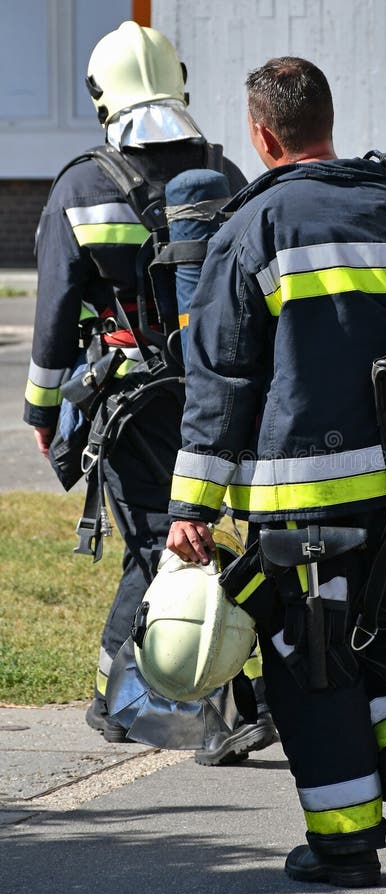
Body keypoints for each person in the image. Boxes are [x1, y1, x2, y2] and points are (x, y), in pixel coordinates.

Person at [167, 56, 386, 887]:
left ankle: (345, 845)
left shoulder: (253, 227)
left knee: (312, 666)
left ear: (262, 133)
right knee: (381, 631)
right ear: (326, 121)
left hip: (301, 500)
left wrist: (191, 504)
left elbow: (220, 379)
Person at [23, 21, 277, 763]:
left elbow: (54, 317)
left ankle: (131, 700)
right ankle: (232, 695)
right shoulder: (226, 173)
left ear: (102, 95)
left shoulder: (81, 183)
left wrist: (44, 412)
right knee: (222, 538)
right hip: (222, 397)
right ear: (179, 83)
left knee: (152, 547)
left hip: (130, 406)